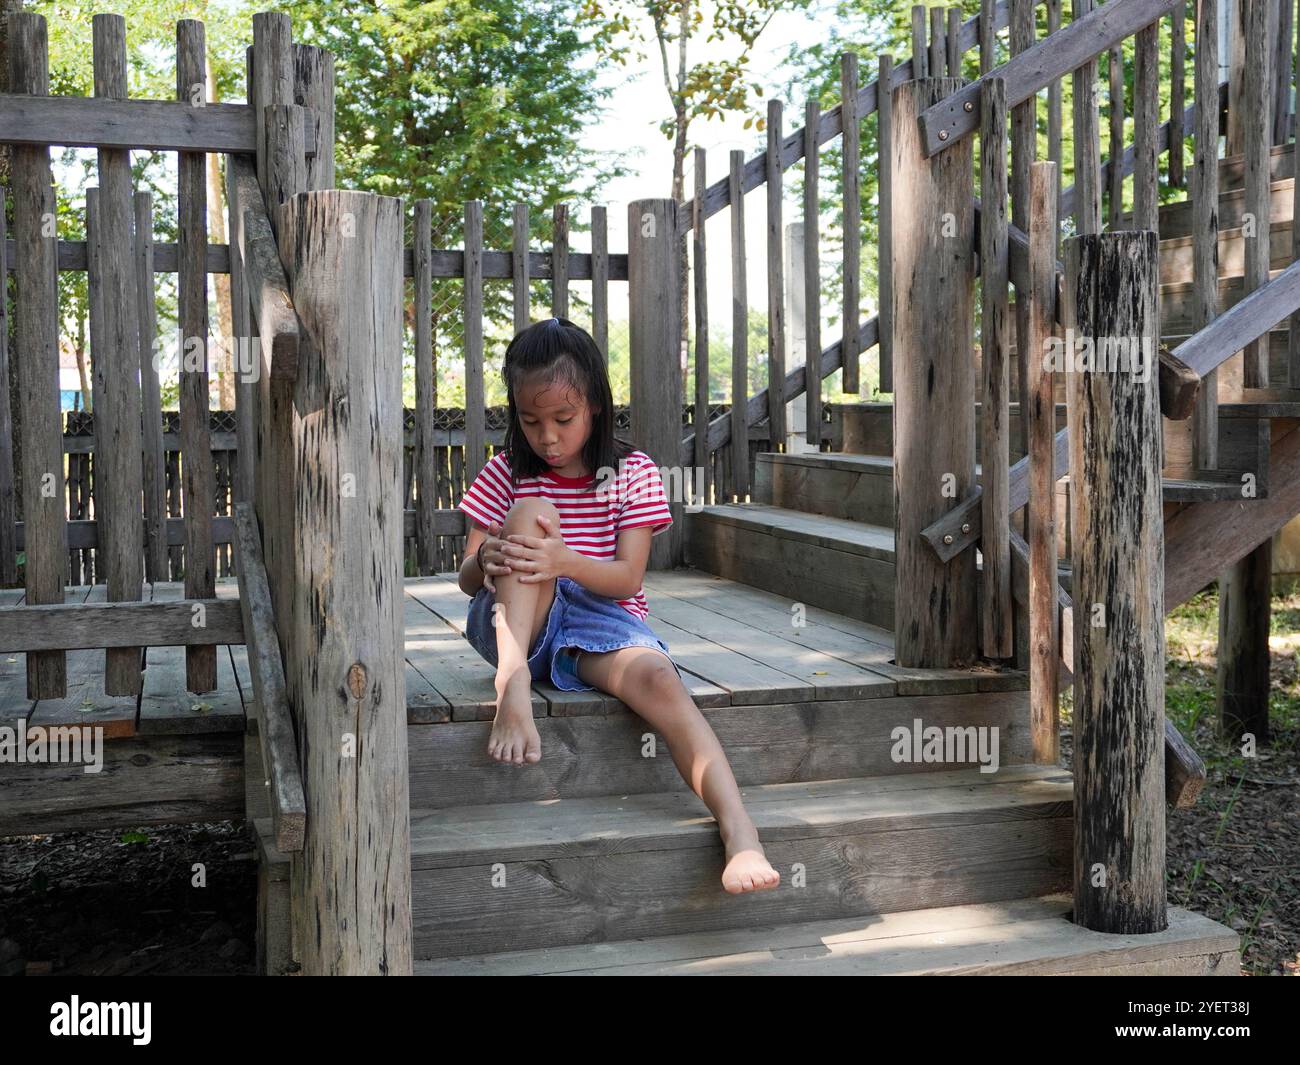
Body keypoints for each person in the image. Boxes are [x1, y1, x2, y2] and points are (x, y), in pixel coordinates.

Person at [457, 316, 779, 895]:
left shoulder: (632, 473)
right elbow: (465, 577)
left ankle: (740, 833)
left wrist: (564, 562)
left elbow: (628, 579)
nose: (547, 437)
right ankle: (513, 684)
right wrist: (490, 558)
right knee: (531, 513)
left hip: (598, 622)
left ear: (597, 406)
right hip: (514, 622)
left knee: (658, 678)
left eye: (563, 419)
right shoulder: (507, 472)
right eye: (531, 422)